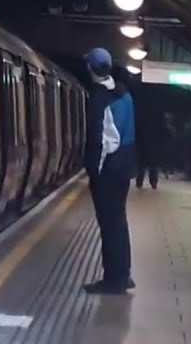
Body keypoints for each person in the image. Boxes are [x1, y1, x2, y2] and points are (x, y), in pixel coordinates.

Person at [82, 47, 136, 295]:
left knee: (109, 225)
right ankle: (123, 274)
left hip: (109, 171)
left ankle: (113, 279)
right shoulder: (124, 93)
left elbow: (104, 141)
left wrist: (95, 170)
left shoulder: (100, 98)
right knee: (119, 222)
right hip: (124, 167)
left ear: (91, 68)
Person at [135, 103, 168, 190]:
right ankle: (153, 182)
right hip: (155, 143)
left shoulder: (143, 116)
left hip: (143, 143)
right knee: (154, 164)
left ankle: (139, 181)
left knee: (142, 164)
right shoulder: (160, 118)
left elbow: (138, 129)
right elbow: (164, 131)